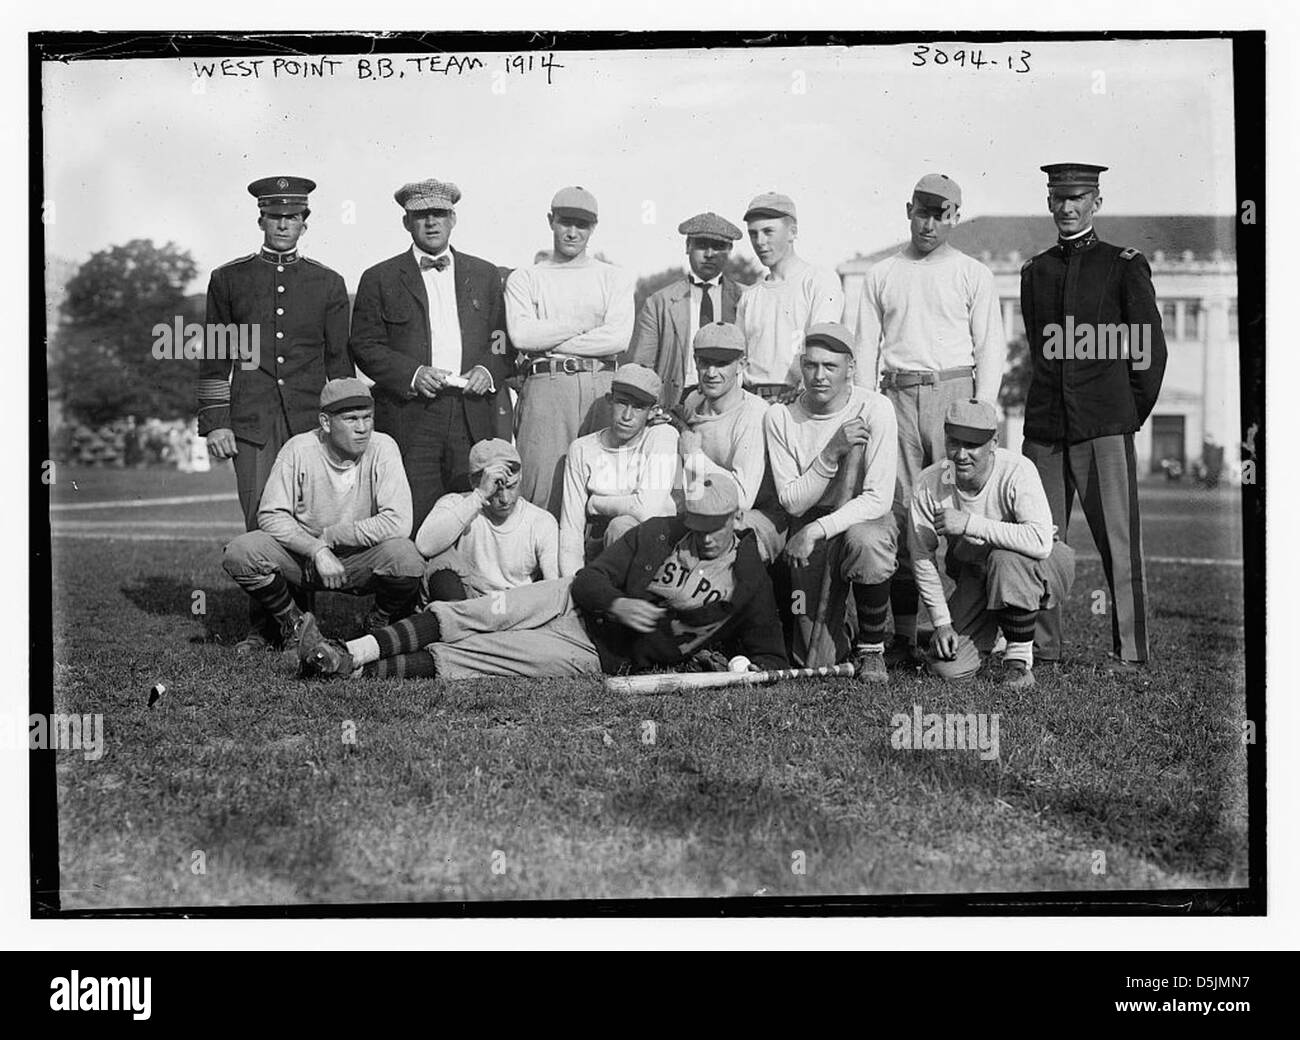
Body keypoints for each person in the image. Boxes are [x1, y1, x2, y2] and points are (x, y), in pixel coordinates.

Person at [297, 472, 789, 681]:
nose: (703, 537)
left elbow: (769, 655)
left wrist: (734, 663)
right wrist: (618, 604)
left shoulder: (748, 581)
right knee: (471, 614)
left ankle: (347, 669)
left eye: (715, 528)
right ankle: (353, 648)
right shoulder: (660, 532)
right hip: (569, 601)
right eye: (695, 524)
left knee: (480, 658)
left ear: (738, 520)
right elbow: (592, 578)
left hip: (596, 653)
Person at [852, 174, 1008, 667]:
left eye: (942, 214)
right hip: (898, 393)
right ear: (908, 210)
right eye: (923, 212)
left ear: (955, 218)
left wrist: (983, 407)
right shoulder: (882, 274)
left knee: (965, 515)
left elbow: (990, 344)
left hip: (956, 394)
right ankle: (901, 637)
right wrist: (864, 405)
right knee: (900, 515)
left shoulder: (972, 272)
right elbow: (864, 347)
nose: (930, 223)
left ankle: (985, 632)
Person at [1020, 163, 1167, 671]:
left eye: (1077, 198)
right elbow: (1041, 352)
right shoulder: (1035, 270)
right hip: (1045, 431)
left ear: (1096, 202)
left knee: (1119, 546)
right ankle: (1041, 649)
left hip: (1103, 430)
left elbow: (1148, 354)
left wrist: (1125, 415)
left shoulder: (1123, 265)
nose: (1066, 208)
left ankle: (1130, 652)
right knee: (1038, 538)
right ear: (1049, 203)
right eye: (1058, 198)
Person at [197, 175, 352, 653]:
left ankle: (305, 622)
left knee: (304, 519)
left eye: (293, 217)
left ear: (306, 223)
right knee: (260, 521)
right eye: (275, 216)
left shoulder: (328, 282)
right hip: (252, 423)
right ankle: (264, 628)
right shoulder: (230, 279)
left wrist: (343, 426)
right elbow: (214, 358)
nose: (284, 224)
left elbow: (338, 365)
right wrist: (216, 421)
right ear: (260, 219)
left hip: (309, 424)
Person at [349, 178, 512, 532]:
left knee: (472, 505)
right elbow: (364, 345)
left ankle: (466, 586)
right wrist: (412, 373)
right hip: (412, 414)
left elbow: (501, 339)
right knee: (414, 507)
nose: (431, 222)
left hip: (471, 412)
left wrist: (488, 368)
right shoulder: (379, 277)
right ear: (406, 222)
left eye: (439, 214)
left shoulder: (484, 274)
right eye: (421, 215)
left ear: (453, 219)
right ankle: (415, 585)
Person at [221, 379, 426, 651]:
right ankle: (294, 625)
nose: (363, 428)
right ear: (326, 423)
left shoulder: (383, 447)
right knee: (241, 552)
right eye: (351, 419)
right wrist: (317, 549)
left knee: (407, 559)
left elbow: (399, 522)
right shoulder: (299, 449)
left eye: (368, 418)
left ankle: (378, 621)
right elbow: (270, 515)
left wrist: (336, 535)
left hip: (360, 557)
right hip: (305, 558)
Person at [909, 400, 1076, 688]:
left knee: (1004, 558)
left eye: (972, 445)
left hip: (1042, 566)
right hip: (979, 574)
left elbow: (1040, 543)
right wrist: (941, 623)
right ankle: (965, 630)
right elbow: (921, 556)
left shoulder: (1017, 469)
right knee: (947, 668)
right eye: (954, 443)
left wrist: (969, 524)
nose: (961, 455)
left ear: (993, 442)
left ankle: (1018, 662)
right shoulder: (931, 482)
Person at [763, 323, 898, 679]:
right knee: (815, 659)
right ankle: (845, 627)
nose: (819, 376)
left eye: (830, 367)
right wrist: (831, 453)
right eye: (811, 365)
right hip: (807, 522)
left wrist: (816, 531)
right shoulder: (781, 416)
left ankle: (872, 649)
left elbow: (878, 499)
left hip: (862, 518)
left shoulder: (875, 408)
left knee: (867, 542)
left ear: (850, 368)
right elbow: (792, 502)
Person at [505, 186, 636, 515]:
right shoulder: (526, 277)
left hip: (600, 386)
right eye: (565, 222)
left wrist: (549, 336)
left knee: (605, 485)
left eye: (582, 225)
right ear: (551, 221)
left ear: (594, 227)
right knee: (541, 487)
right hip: (546, 388)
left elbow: (618, 339)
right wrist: (584, 326)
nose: (573, 232)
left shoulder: (613, 277)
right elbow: (522, 336)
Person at [671, 322, 785, 562]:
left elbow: (742, 498)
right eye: (704, 362)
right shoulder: (693, 401)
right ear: (695, 361)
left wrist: (693, 454)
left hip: (757, 515)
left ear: (741, 365)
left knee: (722, 540)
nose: (711, 373)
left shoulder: (754, 413)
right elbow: (692, 482)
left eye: (722, 364)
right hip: (706, 507)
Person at [558, 364, 679, 576]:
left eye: (639, 407)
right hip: (603, 551)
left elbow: (645, 510)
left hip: (657, 550)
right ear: (609, 400)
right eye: (622, 403)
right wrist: (573, 583)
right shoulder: (582, 448)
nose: (627, 416)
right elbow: (571, 527)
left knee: (621, 526)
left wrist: (596, 503)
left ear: (652, 412)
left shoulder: (662, 436)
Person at [415, 437, 559, 603]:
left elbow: (554, 584)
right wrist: (480, 496)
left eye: (511, 487)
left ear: (520, 478)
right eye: (495, 490)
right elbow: (425, 545)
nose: (505, 499)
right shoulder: (458, 503)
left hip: (514, 605)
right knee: (441, 565)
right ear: (474, 483)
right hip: (467, 602)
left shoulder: (541, 521)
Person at [624, 211, 746, 409]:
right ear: (687, 246)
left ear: (730, 250)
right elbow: (642, 366)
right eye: (701, 245)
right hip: (675, 404)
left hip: (731, 403)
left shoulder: (745, 298)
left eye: (718, 246)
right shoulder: (659, 303)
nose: (709, 254)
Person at [735, 191, 844, 401]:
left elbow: (821, 347)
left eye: (768, 231)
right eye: (753, 234)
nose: (760, 241)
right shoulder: (750, 296)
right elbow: (739, 360)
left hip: (799, 400)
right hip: (751, 402)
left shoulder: (818, 280)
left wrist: (801, 397)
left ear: (792, 232)